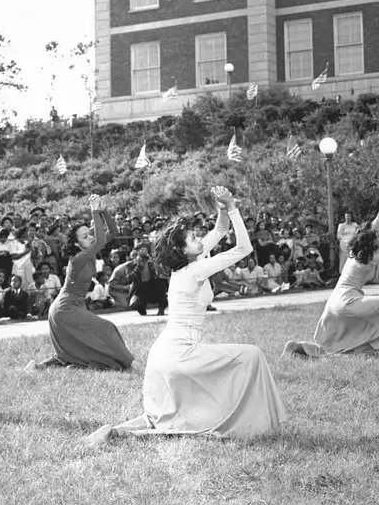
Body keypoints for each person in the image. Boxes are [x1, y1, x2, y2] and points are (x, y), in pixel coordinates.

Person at [85, 186, 284, 445]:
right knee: (252, 355)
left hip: (166, 352)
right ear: (182, 250)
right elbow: (244, 248)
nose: (199, 238)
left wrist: (222, 208)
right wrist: (233, 208)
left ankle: (115, 433)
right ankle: (255, 425)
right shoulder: (195, 269)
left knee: (171, 416)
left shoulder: (191, 262)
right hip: (179, 353)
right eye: (193, 237)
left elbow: (221, 230)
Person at [284, 194, 379, 358]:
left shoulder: (357, 249)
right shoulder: (372, 256)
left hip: (335, 301)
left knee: (347, 348)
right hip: (348, 301)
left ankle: (298, 348)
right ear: (371, 243)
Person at [26, 195, 137, 372]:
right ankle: (134, 364)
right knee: (107, 329)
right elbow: (100, 241)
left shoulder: (88, 250)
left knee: (74, 351)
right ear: (77, 243)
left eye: (90, 234)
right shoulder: (78, 258)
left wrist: (103, 211)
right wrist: (94, 211)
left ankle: (38, 368)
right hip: (65, 308)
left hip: (73, 306)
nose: (91, 238)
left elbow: (113, 233)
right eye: (85, 237)